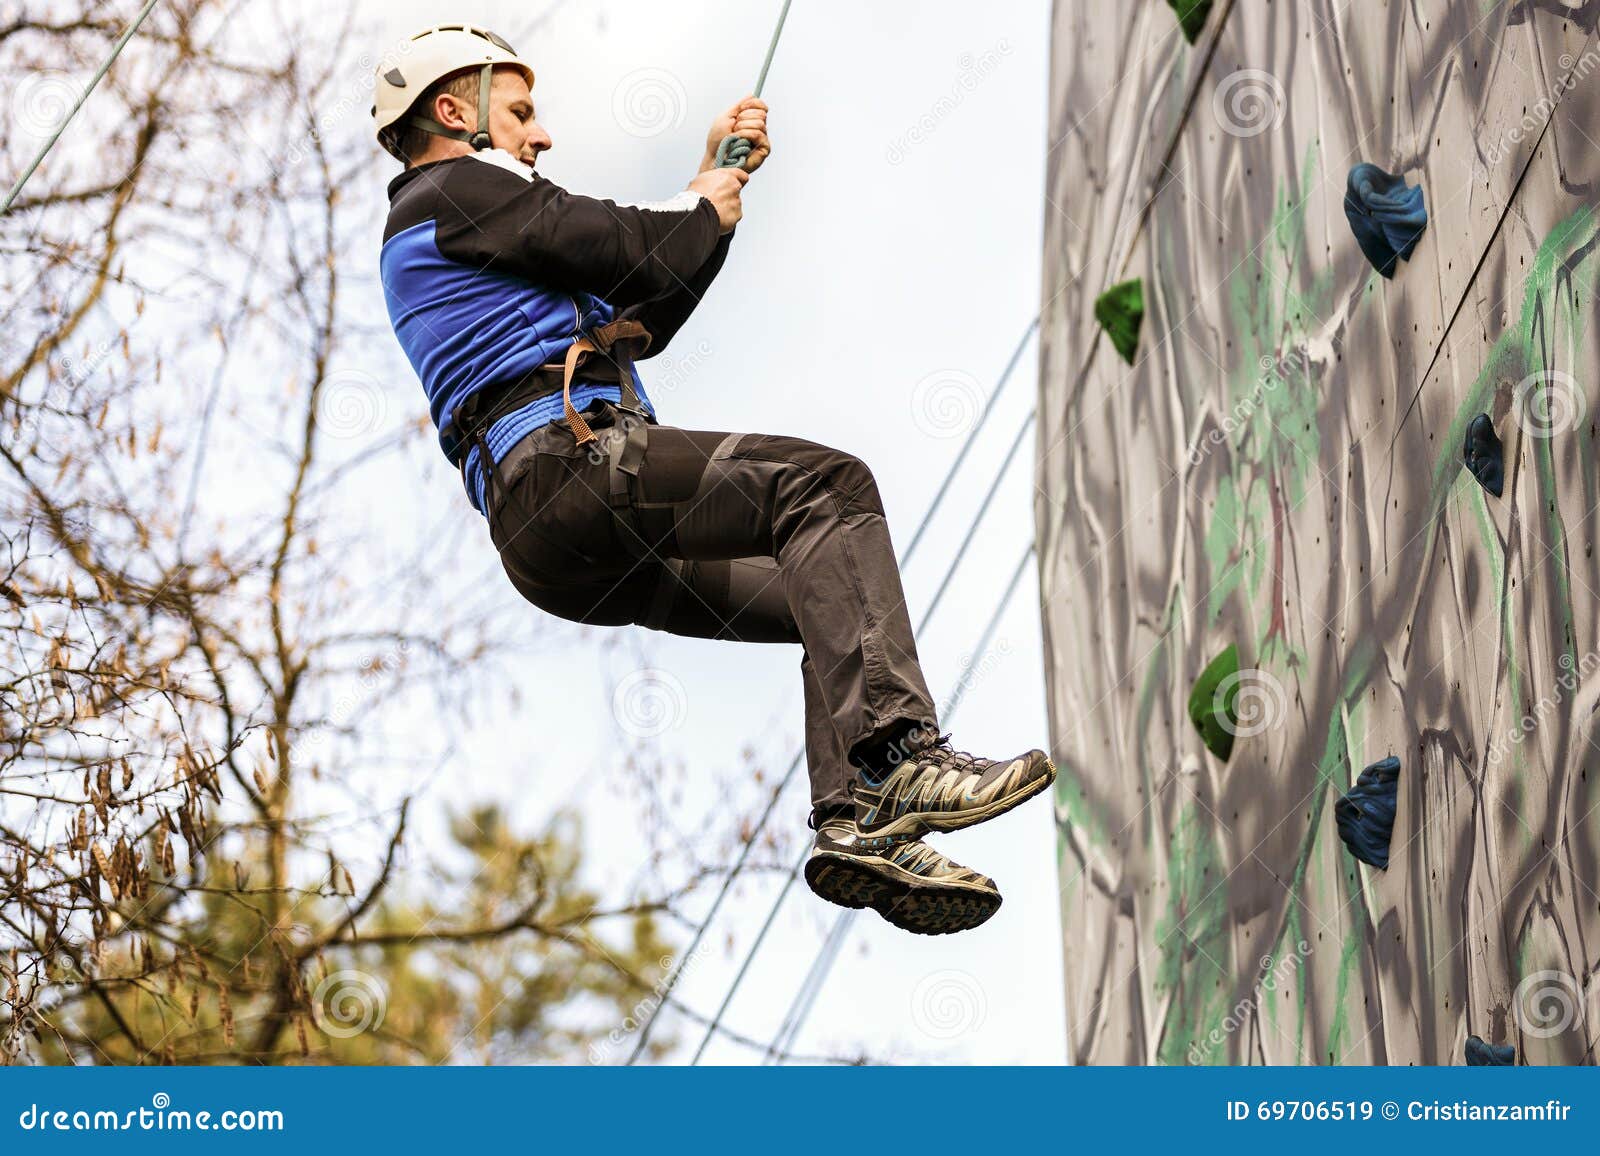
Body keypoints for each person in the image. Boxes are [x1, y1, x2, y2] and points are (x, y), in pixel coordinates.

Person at [373, 25, 1054, 935]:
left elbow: (642, 310)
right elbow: (624, 242)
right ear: (454, 113)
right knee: (830, 488)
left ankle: (854, 823)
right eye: (522, 112)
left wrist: (714, 208)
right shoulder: (450, 189)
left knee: (827, 591)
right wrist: (700, 203)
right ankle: (901, 757)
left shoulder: (468, 222)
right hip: (569, 470)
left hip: (555, 533)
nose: (540, 137)